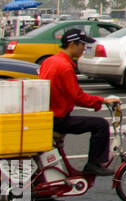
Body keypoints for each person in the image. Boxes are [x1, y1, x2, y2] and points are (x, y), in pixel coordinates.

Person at [39, 29, 120, 184]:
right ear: (72, 44)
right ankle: (94, 164)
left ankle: (47, 194)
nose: (84, 48)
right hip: (58, 118)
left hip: (46, 116)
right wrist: (102, 101)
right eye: (82, 45)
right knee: (100, 125)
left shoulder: (49, 61)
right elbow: (77, 97)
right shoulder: (65, 67)